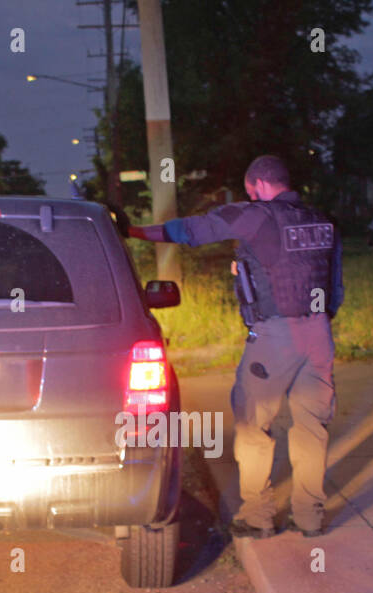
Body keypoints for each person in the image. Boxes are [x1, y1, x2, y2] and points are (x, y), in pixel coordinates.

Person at [128, 155, 343, 538]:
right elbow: (335, 284)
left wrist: (134, 231)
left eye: (249, 191)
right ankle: (310, 517)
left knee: (253, 424)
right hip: (320, 332)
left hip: (276, 336)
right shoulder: (321, 221)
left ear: (259, 184)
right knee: (312, 427)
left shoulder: (257, 215)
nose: (249, 196)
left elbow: (193, 230)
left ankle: (258, 517)